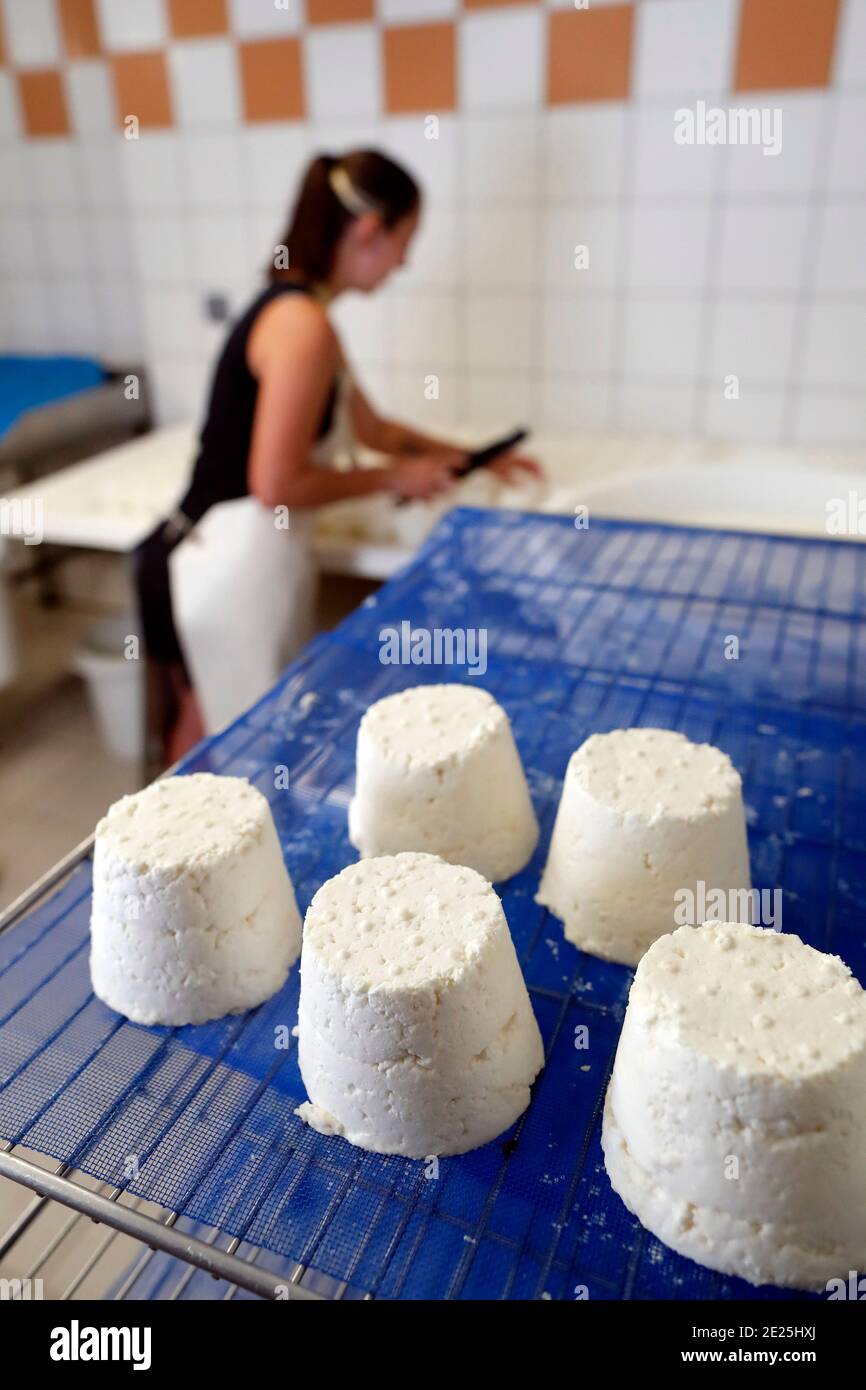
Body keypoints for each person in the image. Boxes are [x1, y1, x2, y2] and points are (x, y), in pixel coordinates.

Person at [135, 149, 538, 764]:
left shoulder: (305, 312)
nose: (404, 261)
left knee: (230, 748)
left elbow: (372, 428)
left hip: (225, 559)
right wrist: (396, 478)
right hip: (209, 569)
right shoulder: (302, 326)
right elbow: (276, 483)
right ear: (370, 229)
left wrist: (470, 457)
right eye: (406, 239)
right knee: (208, 759)